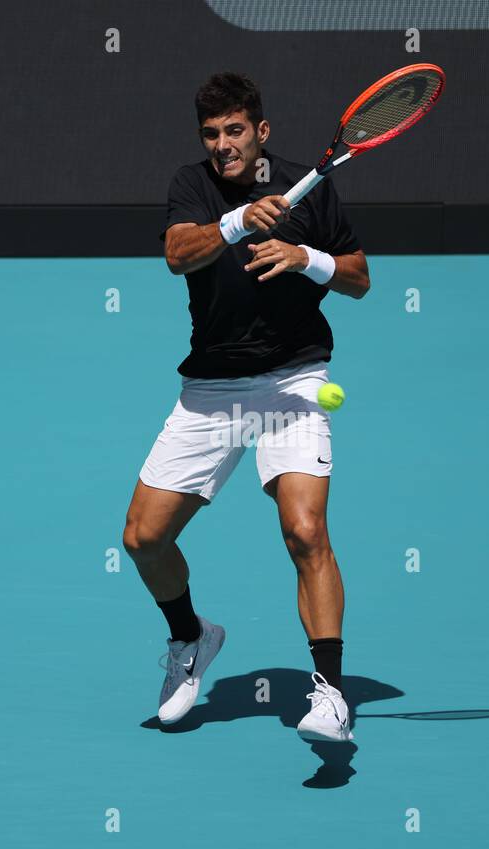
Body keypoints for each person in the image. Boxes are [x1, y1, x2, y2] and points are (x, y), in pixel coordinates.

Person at [123, 72, 370, 743]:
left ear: (261, 132)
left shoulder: (309, 187)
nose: (224, 145)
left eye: (235, 131)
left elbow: (358, 278)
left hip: (293, 382)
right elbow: (178, 255)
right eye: (212, 134)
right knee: (143, 539)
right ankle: (191, 638)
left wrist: (303, 257)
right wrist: (235, 221)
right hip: (213, 389)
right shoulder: (192, 186)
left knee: (305, 531)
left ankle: (331, 695)